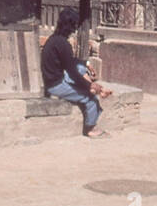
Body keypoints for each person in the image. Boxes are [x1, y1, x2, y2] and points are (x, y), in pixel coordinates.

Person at [41, 7, 112, 137]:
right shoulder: (63, 44)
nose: (75, 29)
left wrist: (87, 64)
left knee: (80, 67)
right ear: (70, 26)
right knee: (91, 99)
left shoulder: (54, 39)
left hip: (53, 80)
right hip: (55, 86)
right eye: (74, 26)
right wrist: (88, 85)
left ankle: (94, 88)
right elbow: (72, 73)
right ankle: (91, 129)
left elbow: (70, 62)